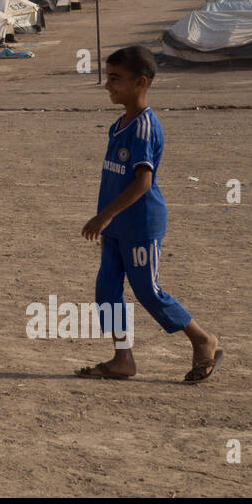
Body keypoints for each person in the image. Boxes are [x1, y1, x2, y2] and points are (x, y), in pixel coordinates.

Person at [78, 45, 222, 382]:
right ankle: (122, 358)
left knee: (147, 290)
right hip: (116, 225)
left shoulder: (144, 127)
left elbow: (143, 182)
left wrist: (104, 216)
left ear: (140, 81)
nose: (108, 85)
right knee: (107, 290)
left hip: (139, 224)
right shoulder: (119, 125)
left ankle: (203, 339)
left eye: (115, 79)